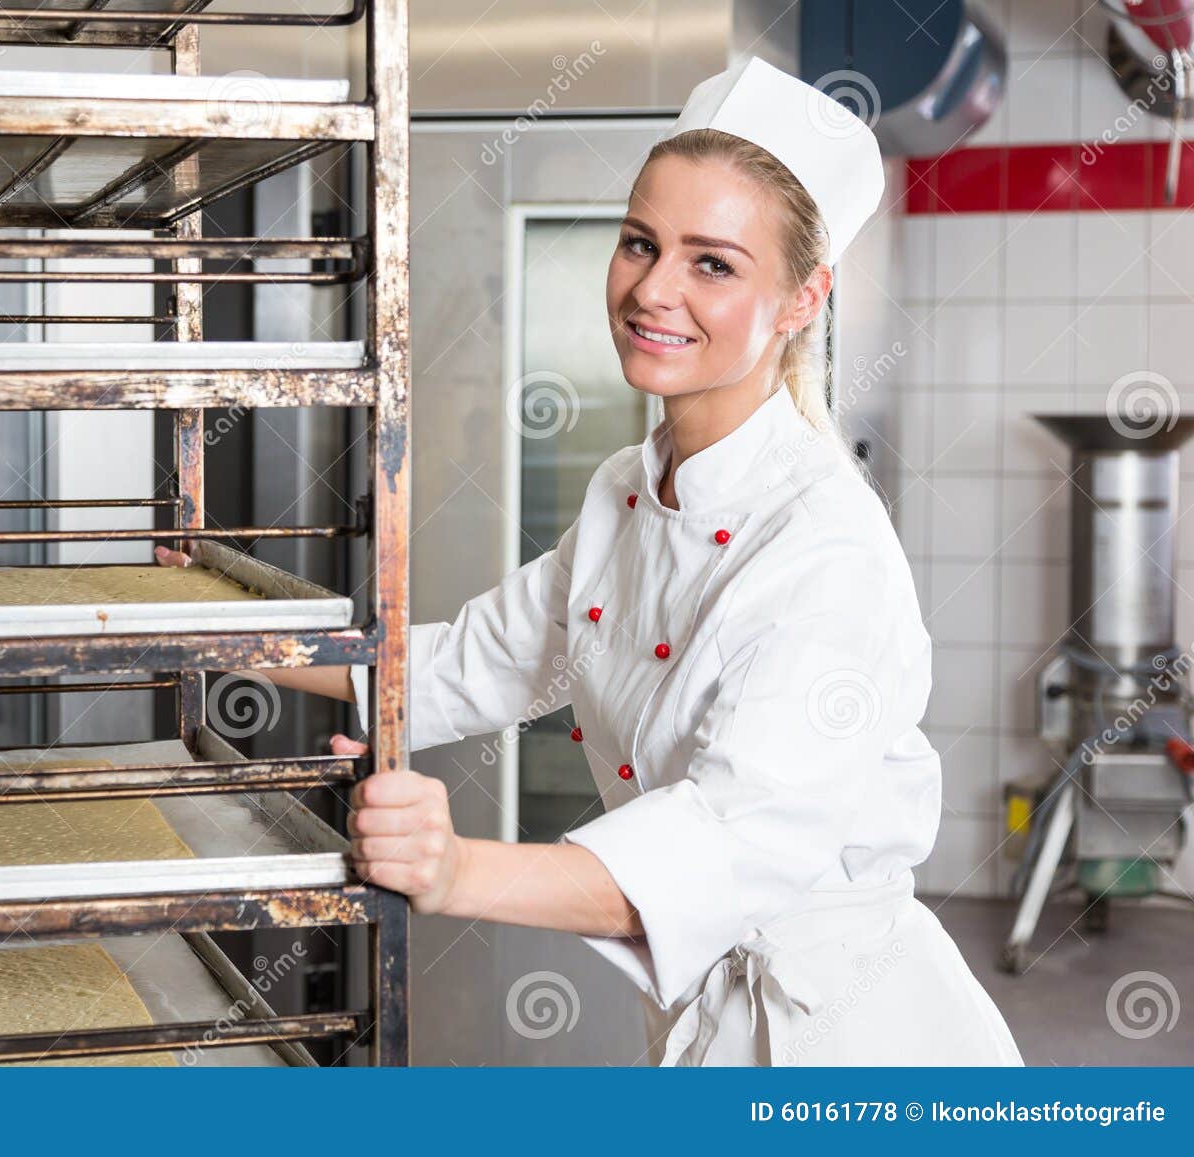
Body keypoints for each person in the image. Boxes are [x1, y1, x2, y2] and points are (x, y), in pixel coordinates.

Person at [158, 55, 1023, 1066]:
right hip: (701, 1011)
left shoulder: (824, 547)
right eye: (640, 243)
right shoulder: (628, 485)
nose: (653, 288)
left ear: (801, 298)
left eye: (713, 263)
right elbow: (466, 663)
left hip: (845, 1039)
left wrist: (451, 869)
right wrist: (201, 626)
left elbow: (723, 845)